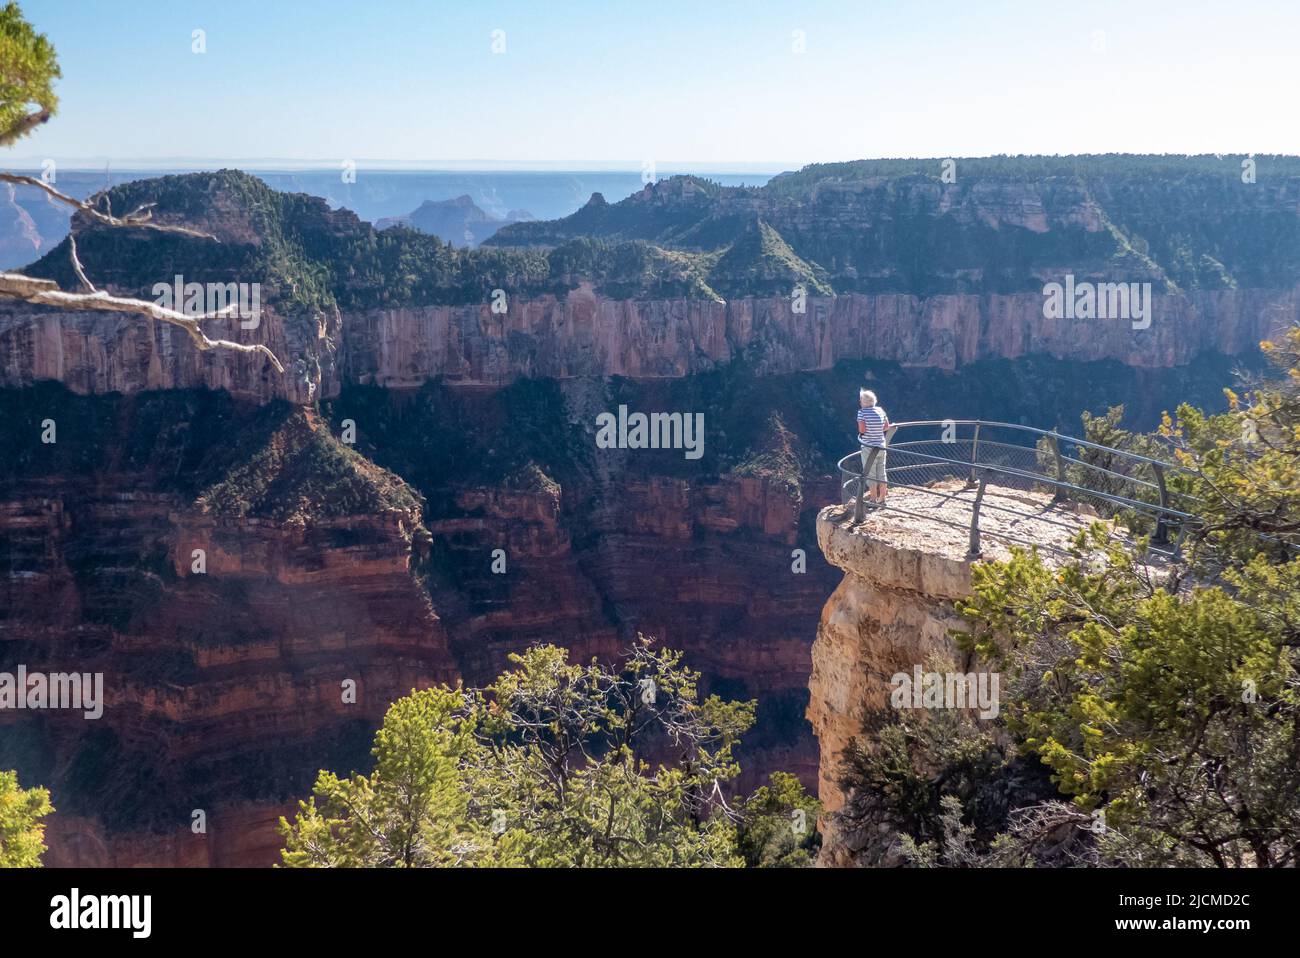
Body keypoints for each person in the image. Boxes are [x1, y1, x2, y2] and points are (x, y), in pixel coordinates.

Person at [857, 389, 890, 508]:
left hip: (869, 447)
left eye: (860, 400)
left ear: (864, 402)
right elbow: (886, 426)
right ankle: (882, 499)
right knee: (882, 471)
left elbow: (862, 430)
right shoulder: (881, 410)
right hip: (881, 445)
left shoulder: (862, 412)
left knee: (870, 472)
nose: (859, 402)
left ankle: (872, 499)